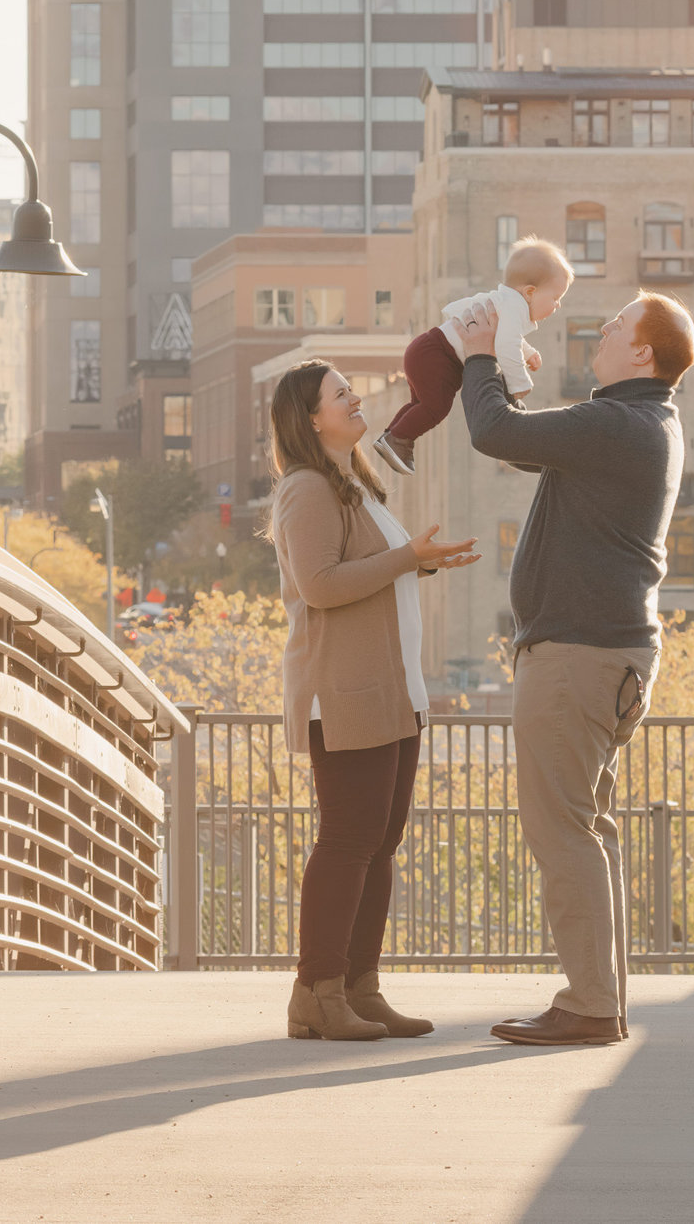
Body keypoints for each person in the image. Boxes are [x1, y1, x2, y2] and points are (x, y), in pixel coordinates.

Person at [457, 290, 694, 1047]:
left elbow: (493, 433)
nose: (602, 331)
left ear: (642, 355)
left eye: (617, 326)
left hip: (576, 658)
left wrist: (476, 352)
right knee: (588, 831)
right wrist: (501, 369)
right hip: (606, 657)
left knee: (562, 834)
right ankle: (600, 999)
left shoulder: (621, 424)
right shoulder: (638, 425)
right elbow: (528, 442)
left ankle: (591, 1006)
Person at [267, 360, 479, 1041]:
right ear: (311, 419)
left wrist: (421, 559)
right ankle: (317, 993)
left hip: (394, 691)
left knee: (378, 843)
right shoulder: (305, 488)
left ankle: (360, 987)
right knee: (348, 841)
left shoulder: (353, 483)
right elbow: (321, 585)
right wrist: (403, 558)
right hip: (346, 693)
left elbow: (369, 572)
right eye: (341, 394)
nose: (356, 399)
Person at [371, 237, 574, 477]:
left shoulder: (506, 305)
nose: (558, 306)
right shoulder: (512, 308)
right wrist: (519, 383)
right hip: (436, 356)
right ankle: (398, 439)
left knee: (420, 404)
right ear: (530, 292)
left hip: (425, 350)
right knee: (434, 407)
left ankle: (392, 436)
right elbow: (508, 345)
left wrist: (529, 352)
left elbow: (508, 338)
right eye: (556, 298)